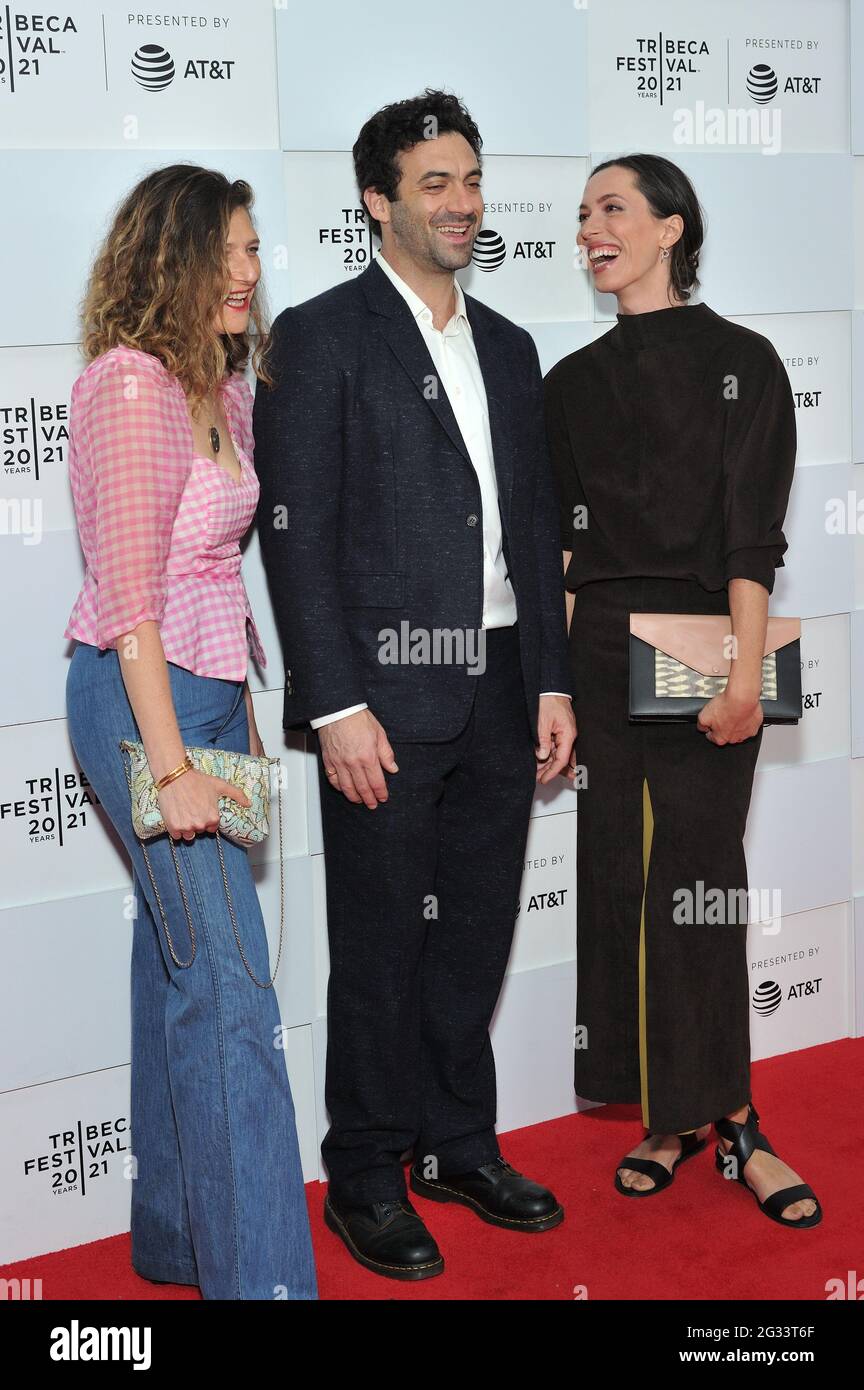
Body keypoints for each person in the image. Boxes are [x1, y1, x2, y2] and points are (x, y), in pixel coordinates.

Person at [253, 89, 576, 1282]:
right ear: (377, 201)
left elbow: (535, 528)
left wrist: (549, 680)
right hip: (383, 702)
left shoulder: (510, 346)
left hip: (500, 688)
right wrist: (334, 703)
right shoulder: (322, 336)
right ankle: (370, 1175)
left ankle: (457, 1144)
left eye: (472, 180)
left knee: (474, 936)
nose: (462, 204)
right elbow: (299, 535)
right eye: (434, 183)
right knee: (383, 945)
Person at [545, 153, 821, 1228]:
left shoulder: (744, 364)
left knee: (699, 882)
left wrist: (748, 673)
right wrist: (555, 696)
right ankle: (669, 1116)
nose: (590, 230)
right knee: (621, 882)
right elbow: (564, 558)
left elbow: (753, 539)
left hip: (710, 642)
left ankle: (739, 1120)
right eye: (581, 216)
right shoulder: (567, 385)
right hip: (604, 652)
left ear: (670, 229)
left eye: (612, 209)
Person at [64, 163, 318, 1298]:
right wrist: (170, 766)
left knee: (173, 963)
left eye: (257, 250)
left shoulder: (226, 382)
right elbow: (129, 597)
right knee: (228, 993)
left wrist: (246, 728)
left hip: (210, 691)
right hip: (137, 695)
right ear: (172, 256)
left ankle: (174, 1235)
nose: (251, 270)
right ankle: (261, 1282)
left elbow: (217, 575)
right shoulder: (128, 387)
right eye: (231, 249)